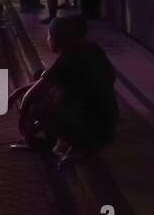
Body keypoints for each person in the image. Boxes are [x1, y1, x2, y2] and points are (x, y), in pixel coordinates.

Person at [9, 14, 117, 166]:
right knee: (41, 78)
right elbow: (42, 81)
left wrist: (23, 120)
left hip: (94, 129)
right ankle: (55, 136)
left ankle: (78, 145)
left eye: (49, 36)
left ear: (57, 39)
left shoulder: (68, 61)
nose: (47, 40)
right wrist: (17, 92)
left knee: (40, 108)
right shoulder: (92, 49)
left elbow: (30, 97)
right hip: (108, 123)